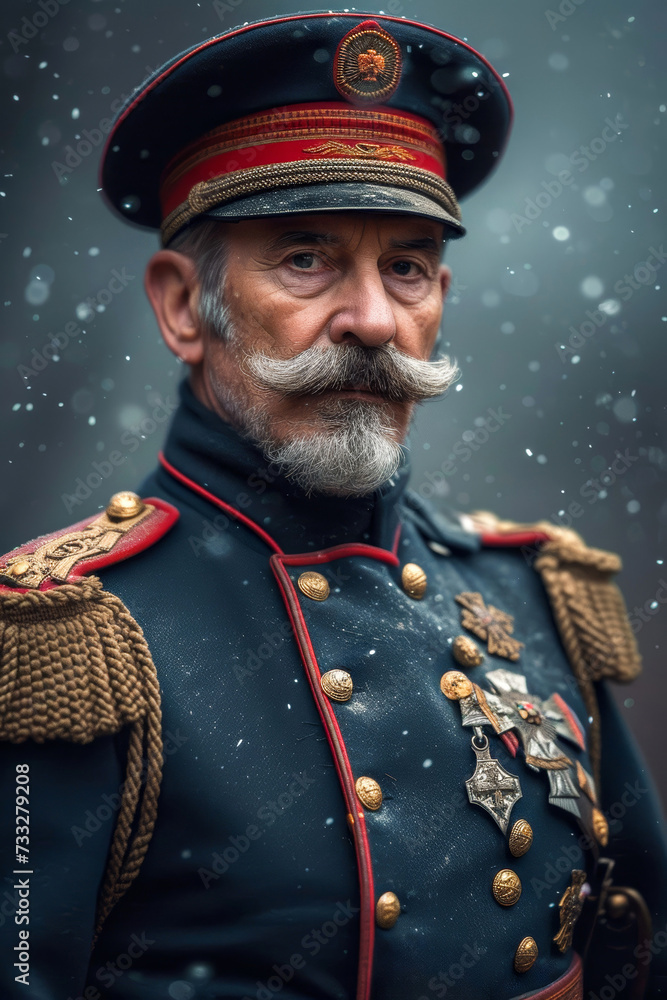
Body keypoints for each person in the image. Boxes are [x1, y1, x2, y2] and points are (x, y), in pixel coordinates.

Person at [0, 10, 665, 1000]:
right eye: (306, 259)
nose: (372, 321)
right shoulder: (70, 642)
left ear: (439, 290)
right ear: (186, 305)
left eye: (404, 266)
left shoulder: (533, 591)